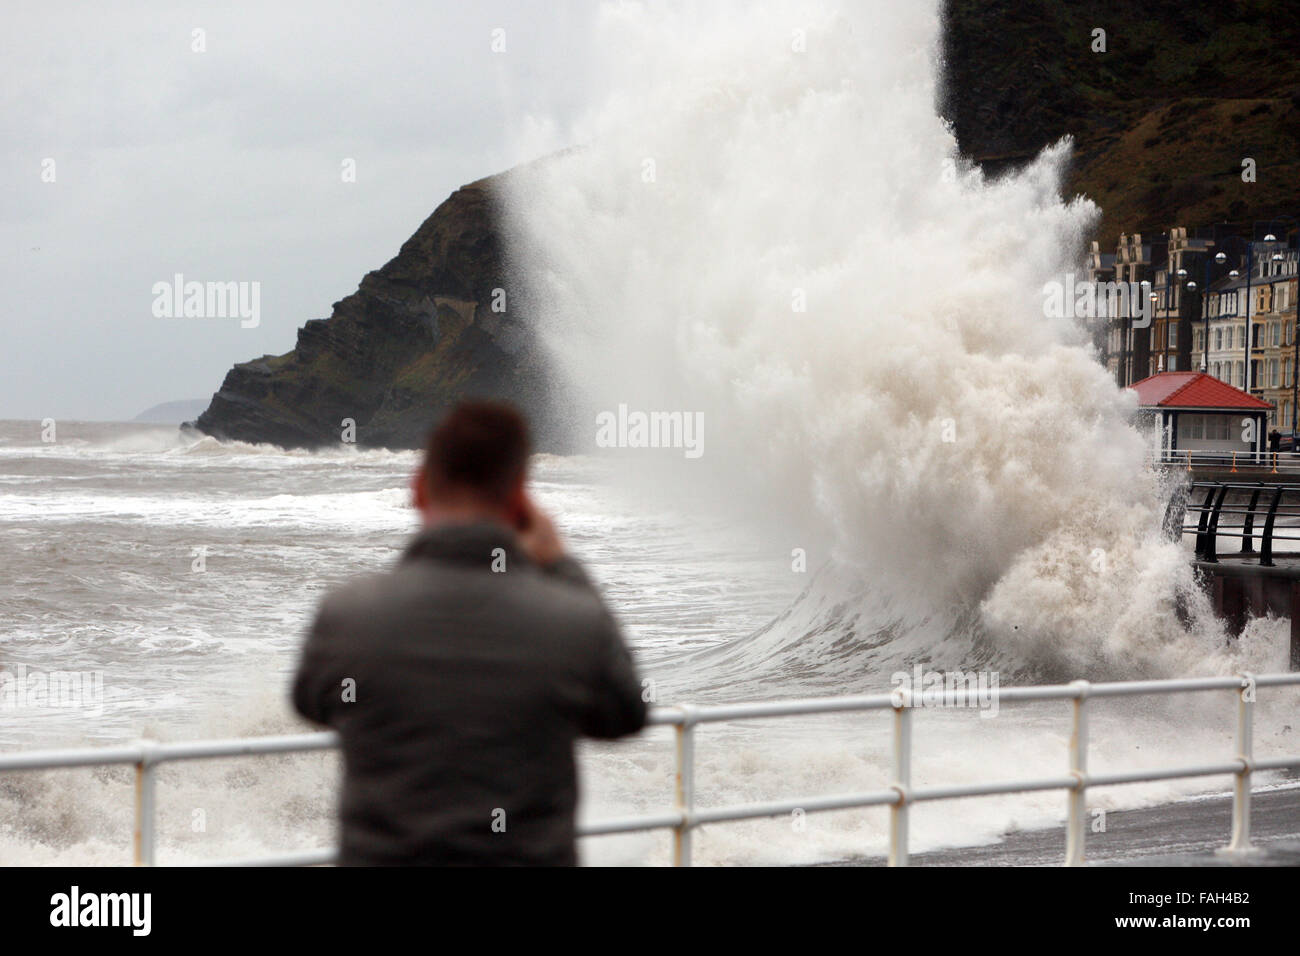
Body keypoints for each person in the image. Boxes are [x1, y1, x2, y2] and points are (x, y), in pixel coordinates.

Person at [292, 400, 647, 865]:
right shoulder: (570, 622)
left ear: (417, 488)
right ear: (520, 498)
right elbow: (624, 713)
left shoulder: (349, 616)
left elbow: (311, 705)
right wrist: (561, 565)